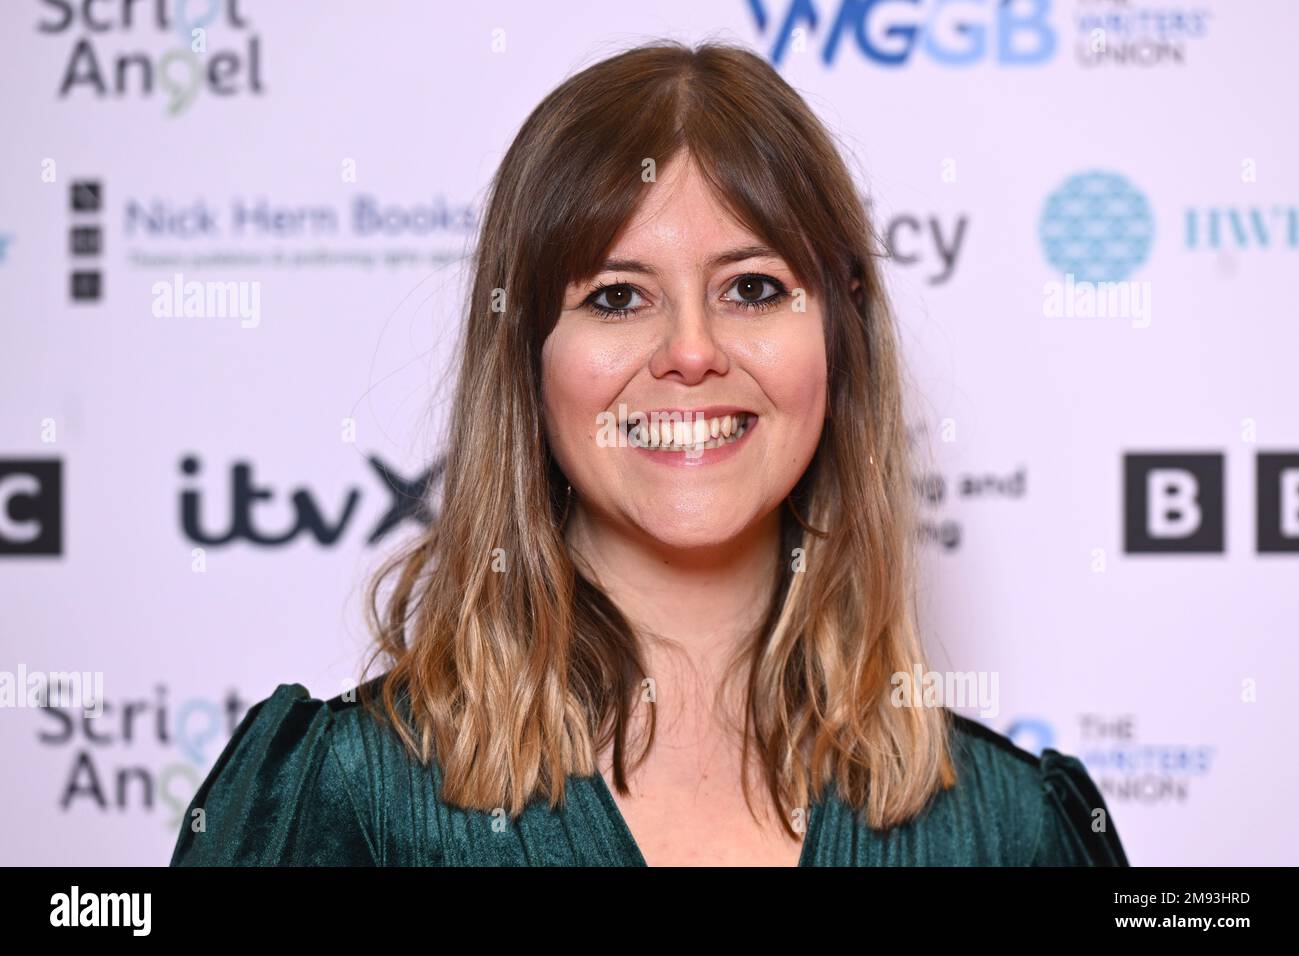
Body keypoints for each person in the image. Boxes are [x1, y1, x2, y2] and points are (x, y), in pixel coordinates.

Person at [170, 40, 1128, 867]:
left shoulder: (1008, 831)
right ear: (526, 359)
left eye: (753, 289)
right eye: (617, 297)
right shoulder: (345, 804)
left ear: (840, 340)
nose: (693, 352)